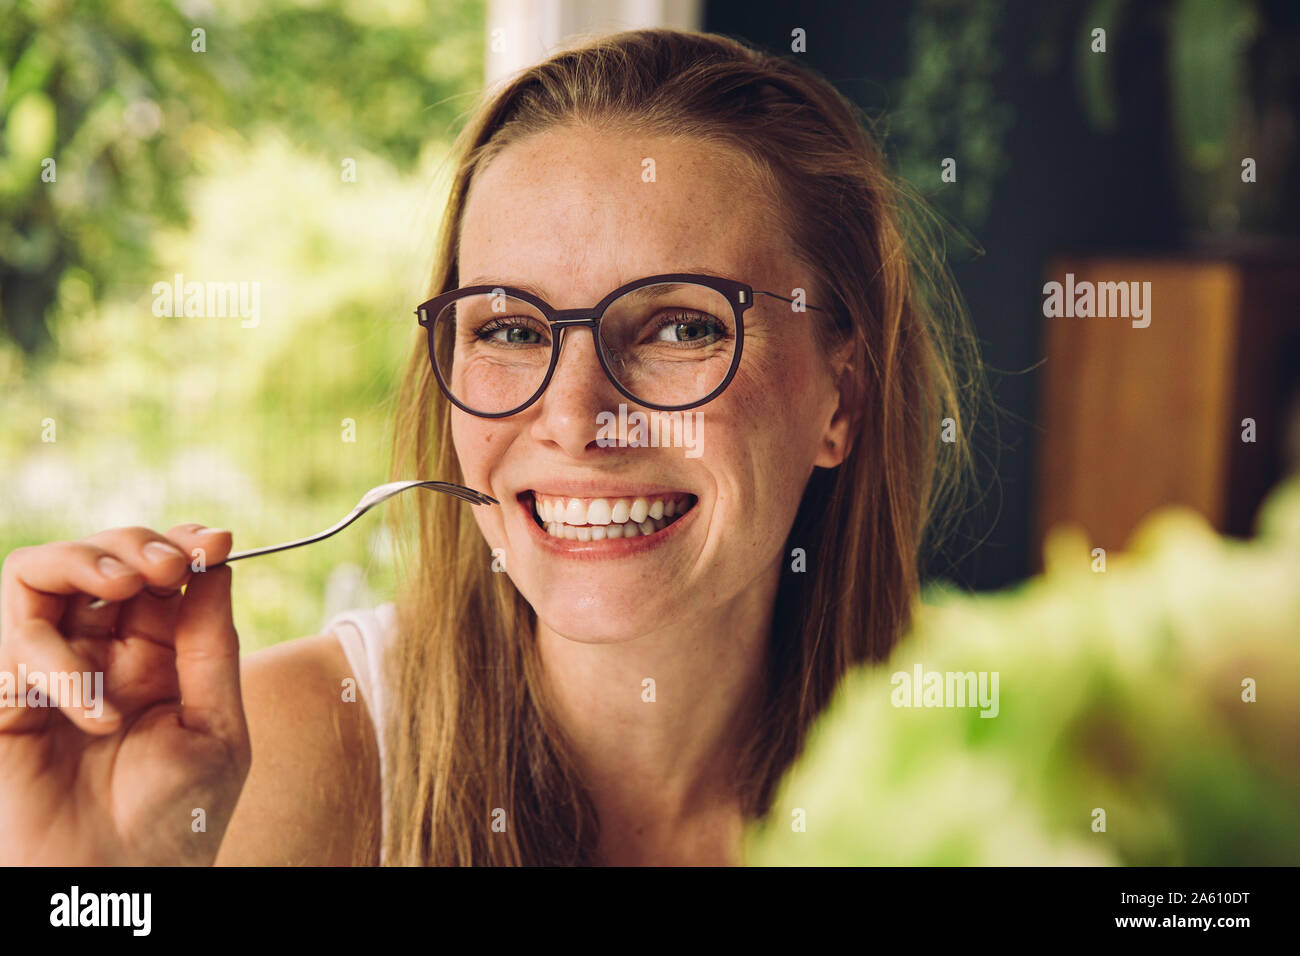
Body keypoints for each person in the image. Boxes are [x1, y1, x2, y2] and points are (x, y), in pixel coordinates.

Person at [0, 28, 976, 866]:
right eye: (511, 329)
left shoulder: (986, 788)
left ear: (840, 396)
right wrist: (85, 883)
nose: (576, 416)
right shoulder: (274, 757)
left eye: (681, 327)